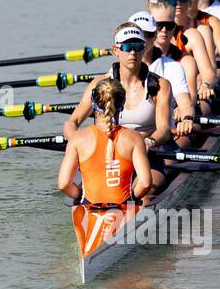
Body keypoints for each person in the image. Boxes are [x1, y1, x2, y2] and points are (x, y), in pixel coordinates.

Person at [64, 22, 175, 192]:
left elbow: (164, 129)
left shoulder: (160, 85)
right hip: (106, 155)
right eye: (127, 46)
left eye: (137, 46)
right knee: (90, 189)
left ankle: (137, 209)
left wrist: (148, 142)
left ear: (144, 48)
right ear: (116, 50)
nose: (132, 52)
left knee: (151, 185)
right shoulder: (100, 85)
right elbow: (72, 122)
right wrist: (77, 146)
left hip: (146, 154)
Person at [58, 77, 152, 208]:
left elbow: (63, 184)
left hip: (89, 205)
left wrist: (80, 195)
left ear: (93, 102)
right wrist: (132, 197)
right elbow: (145, 183)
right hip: (123, 206)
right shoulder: (135, 138)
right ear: (122, 103)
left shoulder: (77, 139)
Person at [129, 9, 197, 145]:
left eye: (147, 35)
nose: (142, 41)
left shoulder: (172, 67)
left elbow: (185, 102)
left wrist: (187, 118)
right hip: (127, 141)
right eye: (138, 36)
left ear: (154, 36)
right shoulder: (119, 69)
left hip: (160, 140)